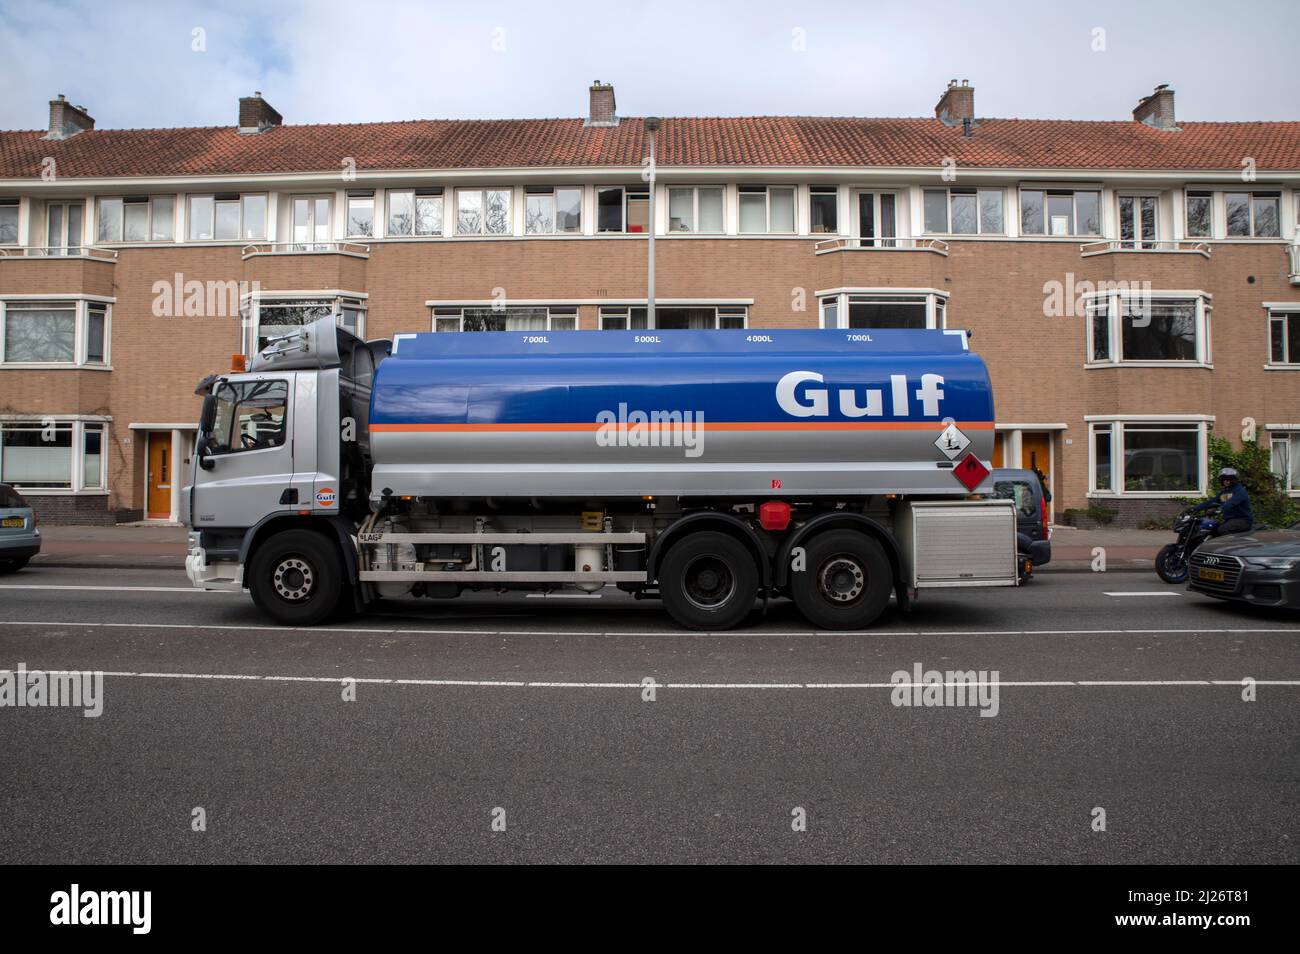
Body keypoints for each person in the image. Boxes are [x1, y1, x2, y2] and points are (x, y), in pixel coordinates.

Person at [1193, 467, 1253, 536]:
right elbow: (1212, 501)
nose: (1225, 481)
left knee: (1222, 530)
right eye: (1223, 479)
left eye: (1228, 479)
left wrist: (1218, 509)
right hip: (1230, 521)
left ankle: (1230, 546)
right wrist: (1195, 508)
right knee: (1212, 529)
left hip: (1243, 520)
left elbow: (1230, 503)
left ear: (1234, 480)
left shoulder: (1240, 491)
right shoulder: (1224, 492)